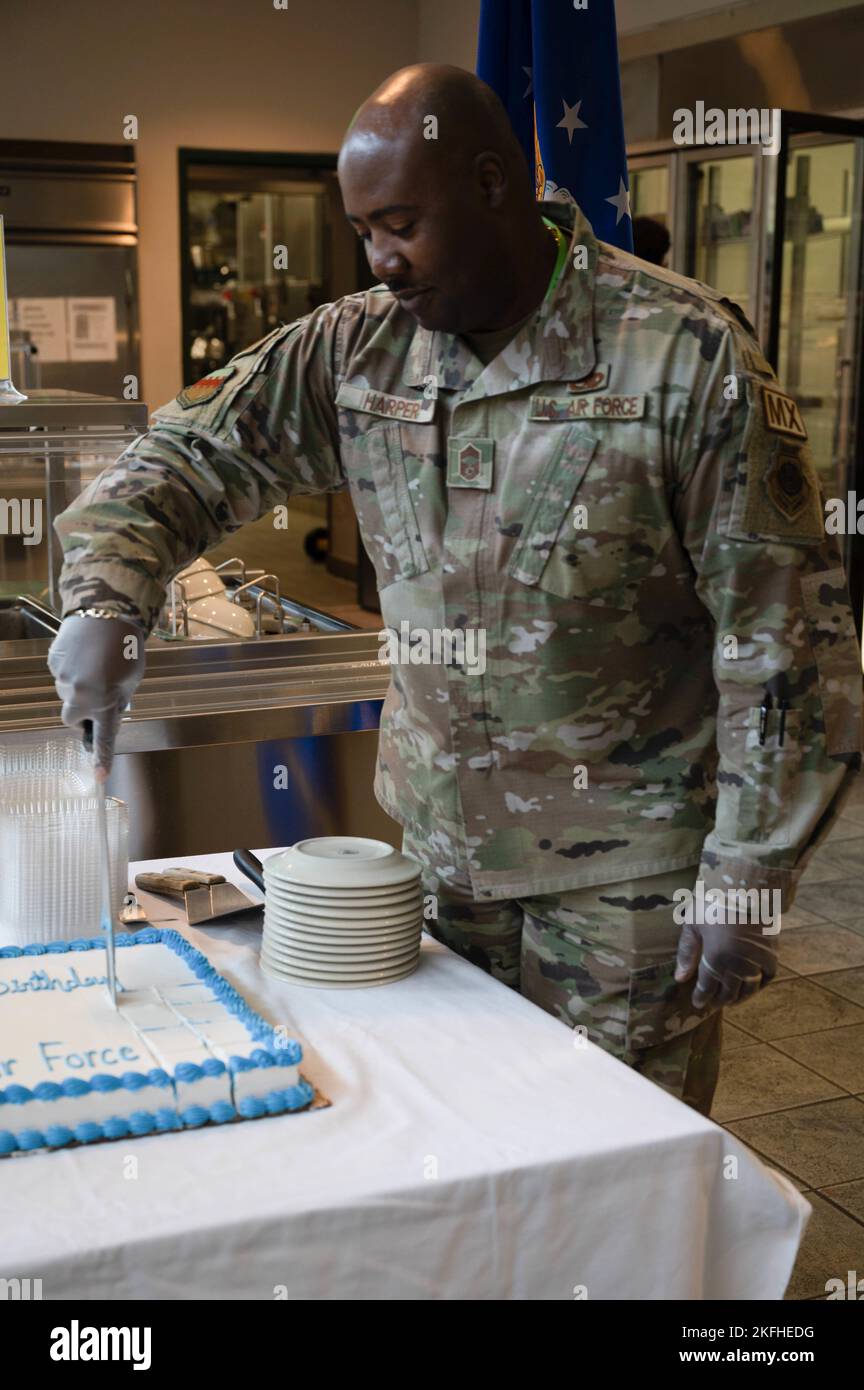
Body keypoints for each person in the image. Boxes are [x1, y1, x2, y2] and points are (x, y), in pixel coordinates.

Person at [48, 64, 862, 1116]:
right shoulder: (359, 345)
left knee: (600, 1174)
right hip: (431, 871)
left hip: (621, 892)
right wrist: (108, 601)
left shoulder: (682, 354)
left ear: (492, 183)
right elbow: (180, 460)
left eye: (400, 224)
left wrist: (752, 870)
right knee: (453, 1149)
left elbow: (787, 645)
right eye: (363, 231)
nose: (381, 259)